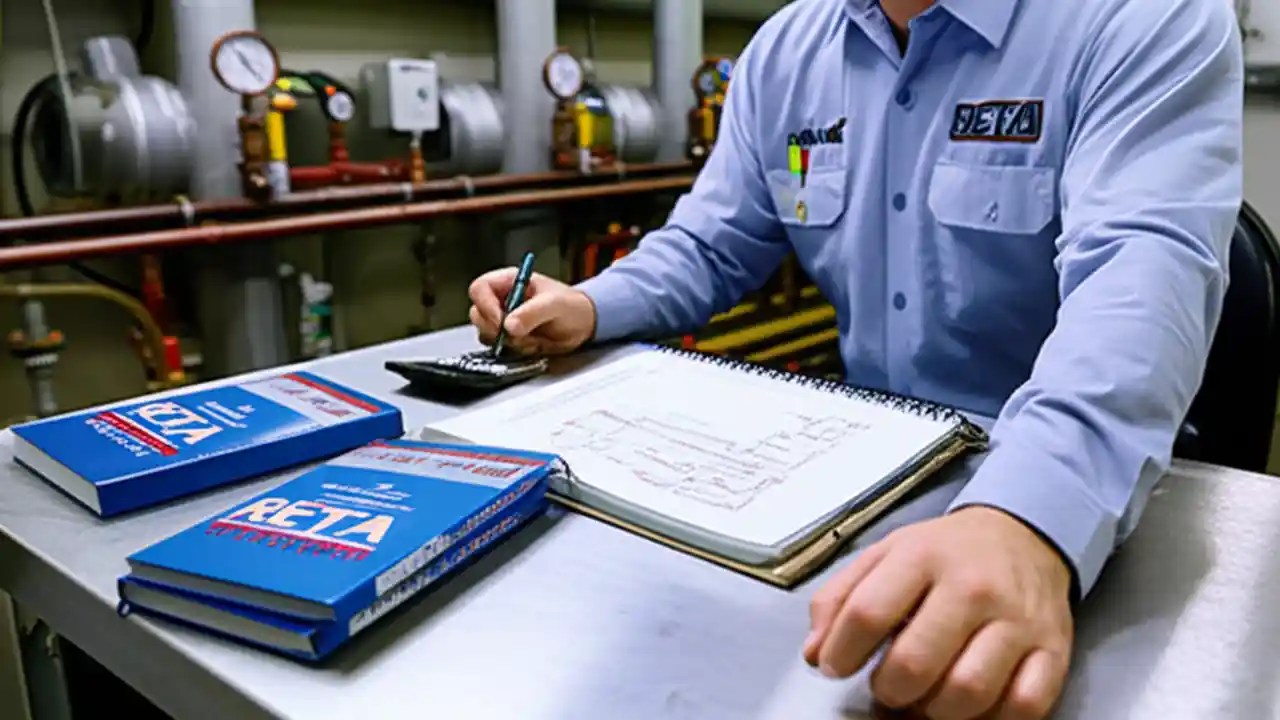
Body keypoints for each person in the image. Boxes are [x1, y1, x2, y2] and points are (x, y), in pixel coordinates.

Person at [468, 0, 1244, 716]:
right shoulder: (786, 52)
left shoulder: (1140, 16)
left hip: (1061, 489)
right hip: (859, 475)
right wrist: (593, 304)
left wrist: (1027, 518)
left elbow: (1137, 278)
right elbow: (711, 243)